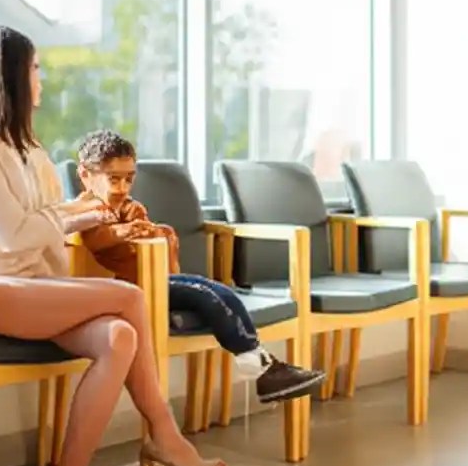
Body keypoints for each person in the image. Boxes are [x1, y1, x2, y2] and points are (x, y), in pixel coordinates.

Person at [0, 25, 224, 466]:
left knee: (119, 336)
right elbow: (11, 237)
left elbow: (44, 242)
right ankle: (164, 432)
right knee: (130, 296)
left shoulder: (30, 151)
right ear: (10, 75)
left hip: (21, 286)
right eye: (35, 69)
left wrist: (70, 274)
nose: (42, 80)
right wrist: (74, 216)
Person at [72, 128, 324, 402]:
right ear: (85, 175)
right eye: (113, 180)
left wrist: (152, 232)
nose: (122, 189)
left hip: (158, 281)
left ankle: (264, 366)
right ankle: (262, 367)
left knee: (215, 291)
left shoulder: (131, 209)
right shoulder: (84, 210)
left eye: (129, 180)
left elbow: (148, 233)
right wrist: (127, 232)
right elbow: (96, 239)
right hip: (129, 290)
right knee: (210, 294)